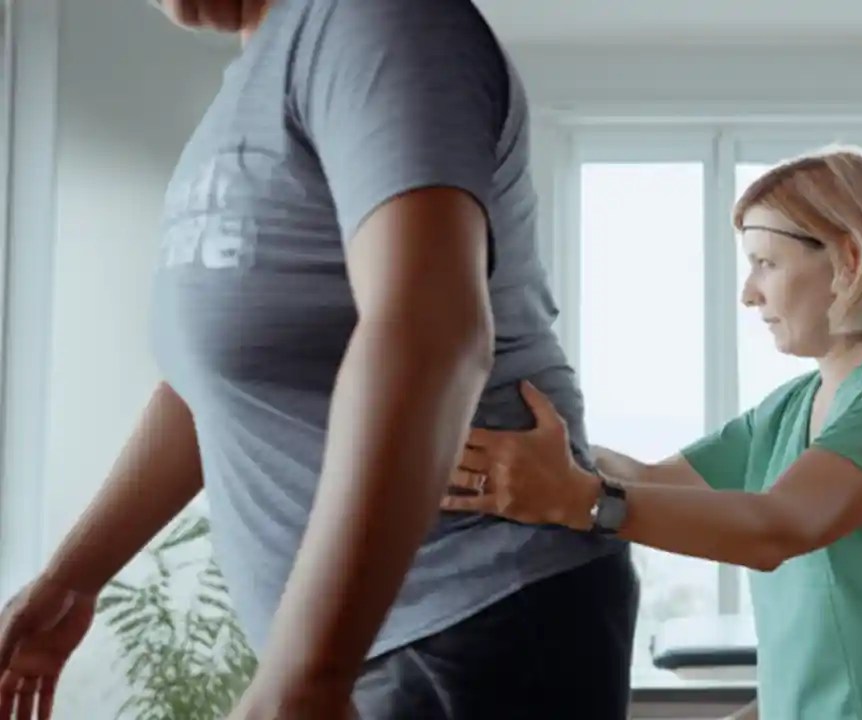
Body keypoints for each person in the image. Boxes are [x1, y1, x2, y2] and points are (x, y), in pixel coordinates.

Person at [0, 0, 638, 718]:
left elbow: (429, 329)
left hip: (468, 618)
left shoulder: (379, 20)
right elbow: (211, 383)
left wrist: (309, 672)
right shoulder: (251, 86)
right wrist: (73, 578)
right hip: (378, 641)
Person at [442, 146, 862, 720]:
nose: (749, 293)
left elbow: (777, 528)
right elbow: (649, 480)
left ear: (848, 259)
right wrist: (521, 442)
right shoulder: (789, 408)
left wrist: (577, 499)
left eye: (766, 263)